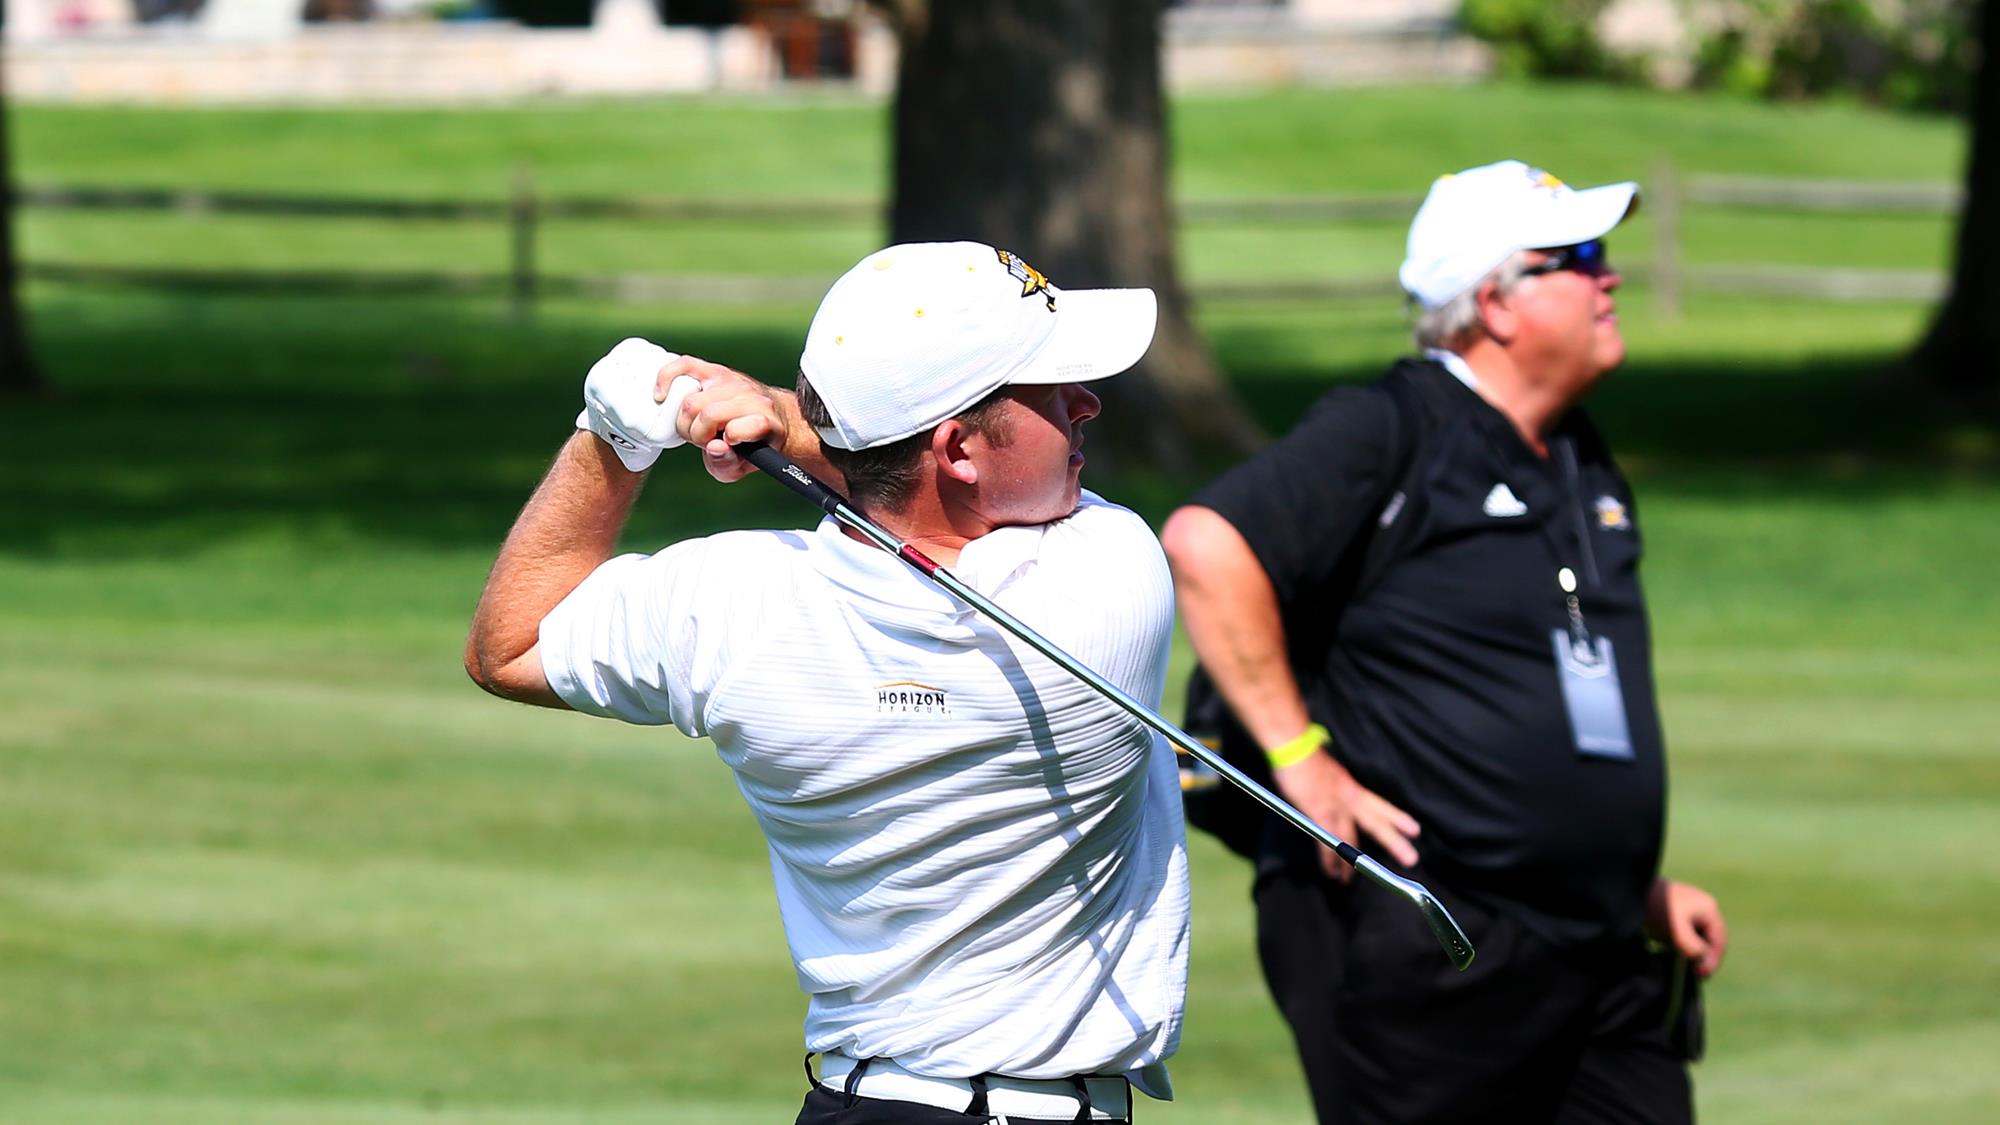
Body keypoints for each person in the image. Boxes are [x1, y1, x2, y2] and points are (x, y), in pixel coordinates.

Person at [465, 241, 1189, 1125]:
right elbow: (883, 477)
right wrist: (778, 415)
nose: (1087, 406)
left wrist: (614, 437)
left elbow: (509, 644)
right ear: (958, 448)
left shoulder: (726, 606)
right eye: (1049, 393)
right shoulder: (1108, 585)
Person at [1160, 161, 1730, 1124]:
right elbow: (1206, 545)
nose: (1611, 279)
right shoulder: (1390, 428)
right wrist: (1301, 760)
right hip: (1433, 934)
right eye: (1580, 260)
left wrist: (1628, 883)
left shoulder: (1580, 454)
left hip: (1598, 943)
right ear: (1496, 304)